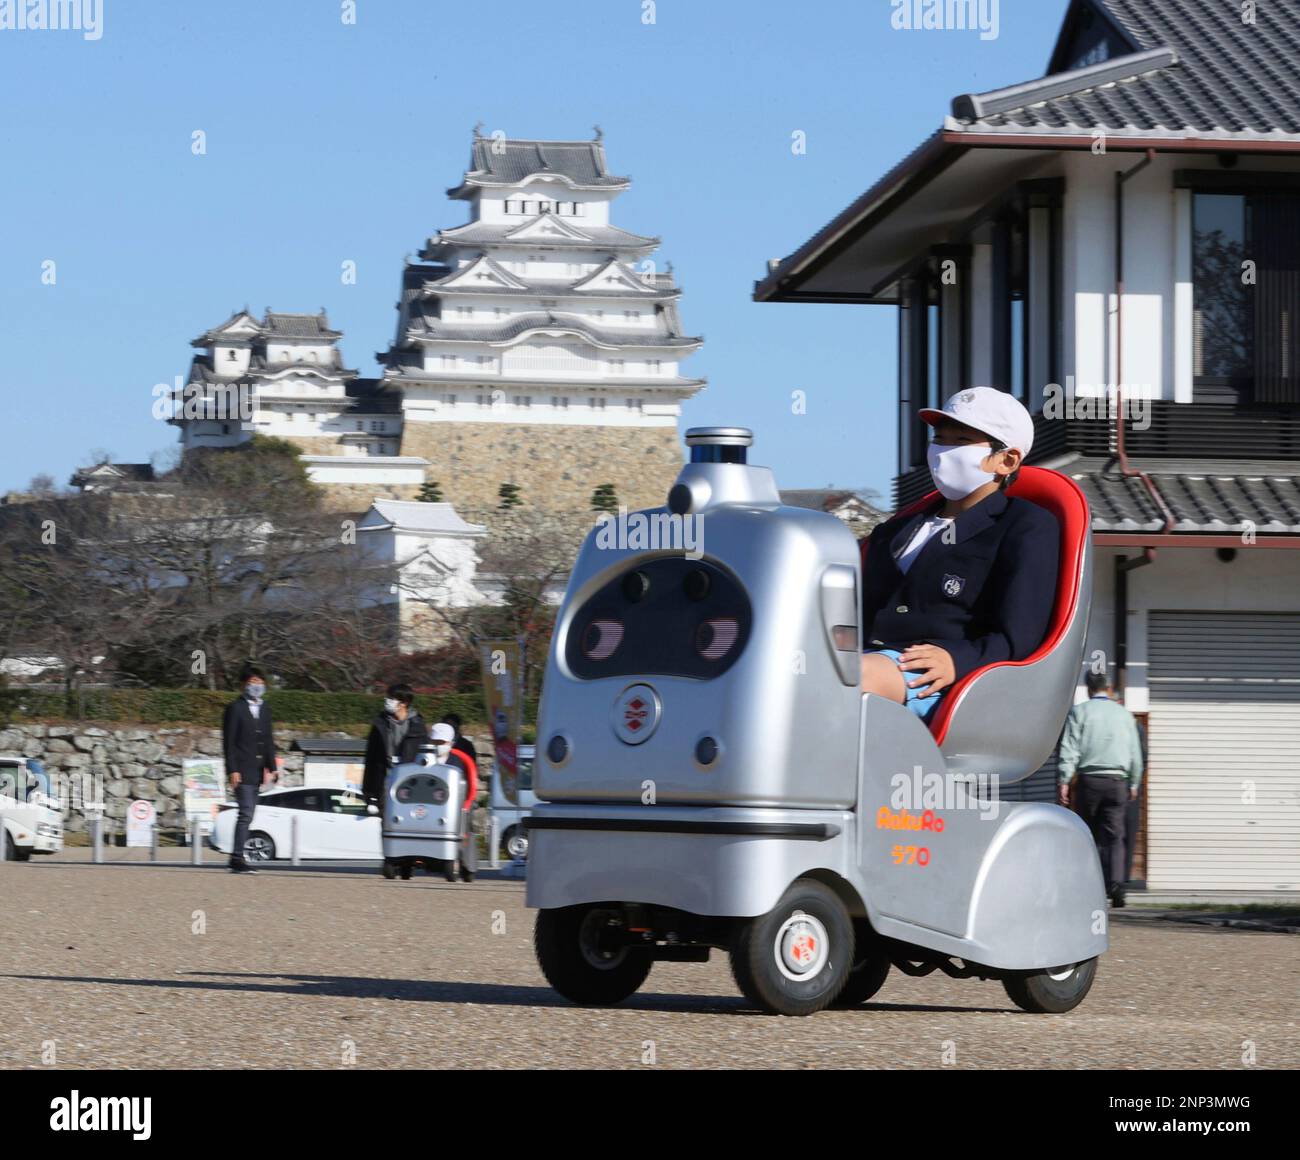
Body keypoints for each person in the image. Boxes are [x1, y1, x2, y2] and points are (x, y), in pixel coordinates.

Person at [859, 387, 1059, 721]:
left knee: (845, 678)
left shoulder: (1025, 526)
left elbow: (1020, 636)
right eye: (939, 438)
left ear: (1007, 459)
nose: (942, 450)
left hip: (940, 679)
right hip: (868, 658)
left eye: (961, 440)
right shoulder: (893, 530)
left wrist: (958, 658)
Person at [1058, 672, 1145, 908]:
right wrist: (1135, 782)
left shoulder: (1080, 712)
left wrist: (1065, 780)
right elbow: (1135, 752)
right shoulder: (1125, 715)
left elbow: (1070, 748)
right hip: (1117, 781)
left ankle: (1090, 887)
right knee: (1115, 836)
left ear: (1089, 690)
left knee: (1088, 834)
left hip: (1089, 781)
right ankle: (1116, 885)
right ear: (1108, 689)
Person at [222, 665, 278, 874]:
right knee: (245, 813)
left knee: (249, 813)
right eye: (252, 682)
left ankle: (236, 857)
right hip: (242, 769)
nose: (256, 686)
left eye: (259, 682)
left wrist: (272, 766)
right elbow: (229, 742)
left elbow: (268, 740)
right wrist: (232, 769)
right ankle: (237, 858)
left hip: (257, 771)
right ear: (243, 685)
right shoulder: (235, 708)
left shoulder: (265, 709)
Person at [362, 683, 427, 808]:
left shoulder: (418, 726)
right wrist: (369, 792)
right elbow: (371, 760)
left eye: (392, 699)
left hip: (410, 785)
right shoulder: (379, 724)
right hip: (385, 783)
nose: (387, 701)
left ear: (404, 703)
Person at [430, 722, 479, 880]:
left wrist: (467, 803)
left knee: (465, 829)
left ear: (450, 742)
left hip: (457, 804)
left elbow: (470, 784)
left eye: (441, 742)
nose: (438, 746)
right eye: (435, 742)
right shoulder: (425, 759)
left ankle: (467, 865)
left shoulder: (460, 760)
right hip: (433, 805)